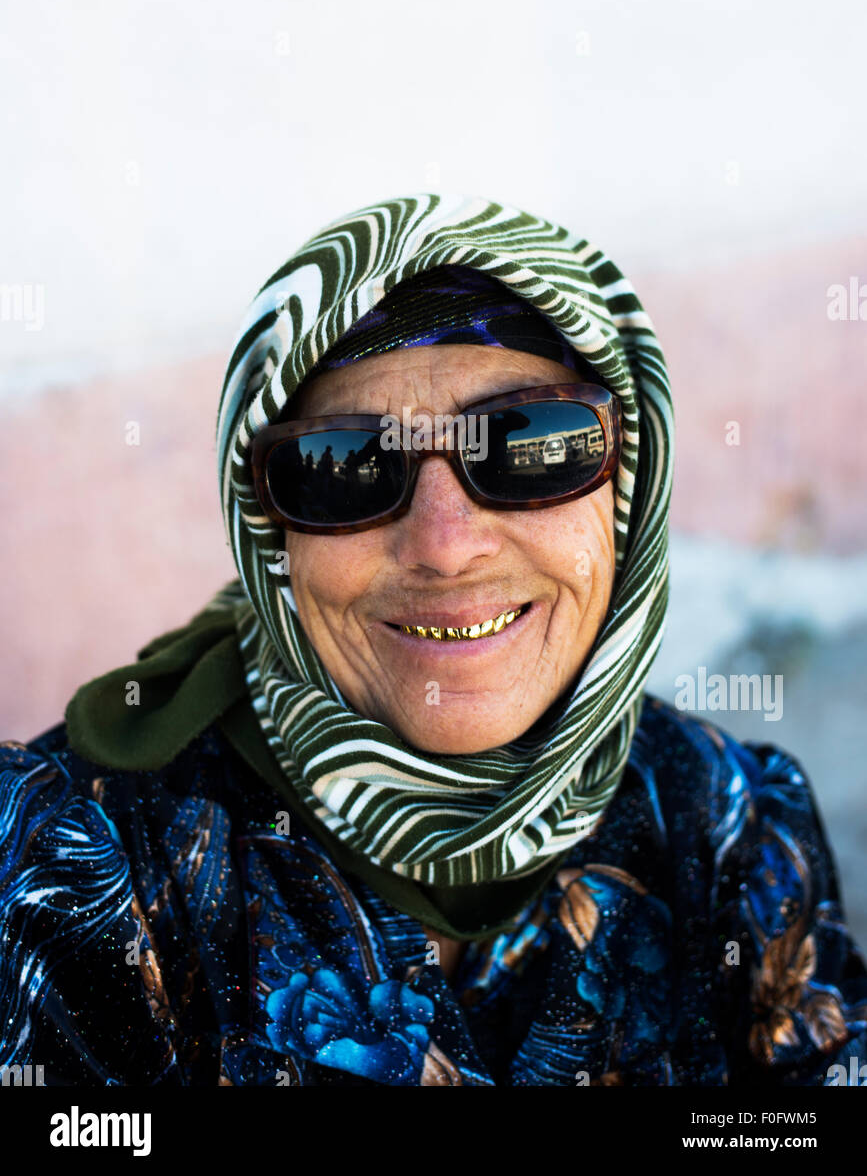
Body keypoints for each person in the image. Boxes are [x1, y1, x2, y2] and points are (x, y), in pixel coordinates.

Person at [1, 192, 865, 1087]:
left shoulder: (735, 826)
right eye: (347, 467)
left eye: (530, 443)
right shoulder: (73, 863)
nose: (446, 547)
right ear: (268, 531)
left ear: (628, 488)